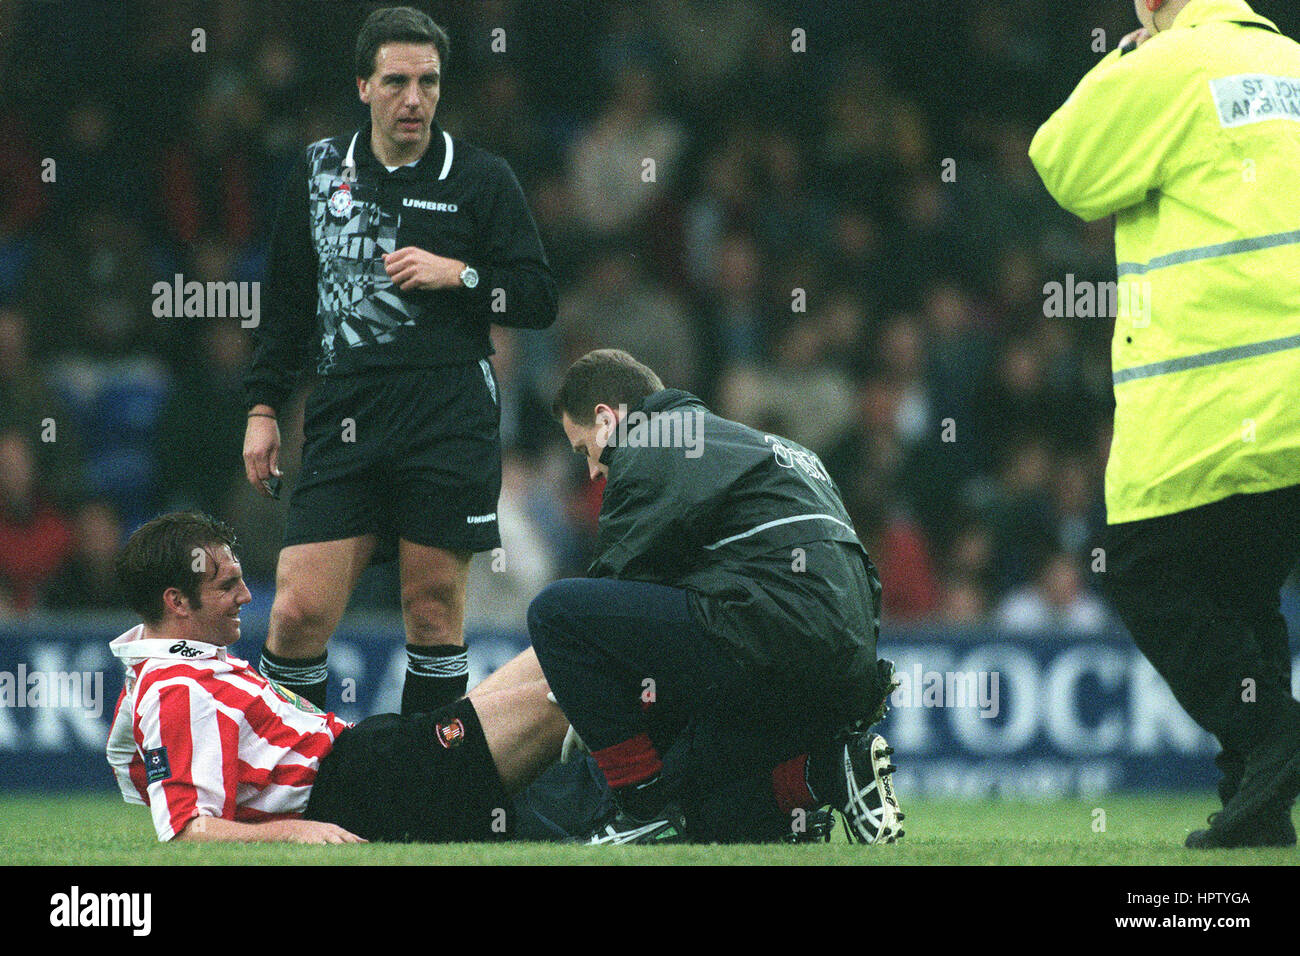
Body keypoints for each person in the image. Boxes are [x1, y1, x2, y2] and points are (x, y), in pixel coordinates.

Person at [1030, 0, 1300, 847]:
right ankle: (1256, 801)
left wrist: (1121, 59)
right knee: (1243, 585)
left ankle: (1272, 736)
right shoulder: (1293, 65)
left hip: (1214, 401)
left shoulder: (1166, 66)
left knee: (1143, 565)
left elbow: (1064, 165)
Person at [242, 7, 557, 717]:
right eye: (395, 82)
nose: (413, 99)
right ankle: (296, 791)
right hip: (345, 411)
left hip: (447, 413)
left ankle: (421, 798)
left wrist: (464, 275)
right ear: (363, 86)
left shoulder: (481, 178)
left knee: (434, 612)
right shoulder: (320, 171)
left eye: (428, 82)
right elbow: (287, 304)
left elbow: (539, 297)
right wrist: (263, 407)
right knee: (294, 613)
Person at [528, 349, 904, 844]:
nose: (595, 473)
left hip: (767, 639)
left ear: (606, 420)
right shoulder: (781, 451)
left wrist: (590, 700)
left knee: (555, 613)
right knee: (701, 803)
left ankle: (641, 814)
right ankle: (829, 771)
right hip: (846, 679)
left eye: (584, 452)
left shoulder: (649, 443)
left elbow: (614, 596)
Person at [105, 511, 573, 844]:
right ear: (177, 602)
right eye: (227, 586)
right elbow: (188, 830)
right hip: (370, 790)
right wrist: (294, 831)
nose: (247, 596)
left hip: (375, 757)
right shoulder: (175, 689)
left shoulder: (181, 667)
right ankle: (640, 797)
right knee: (564, 700)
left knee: (557, 653)